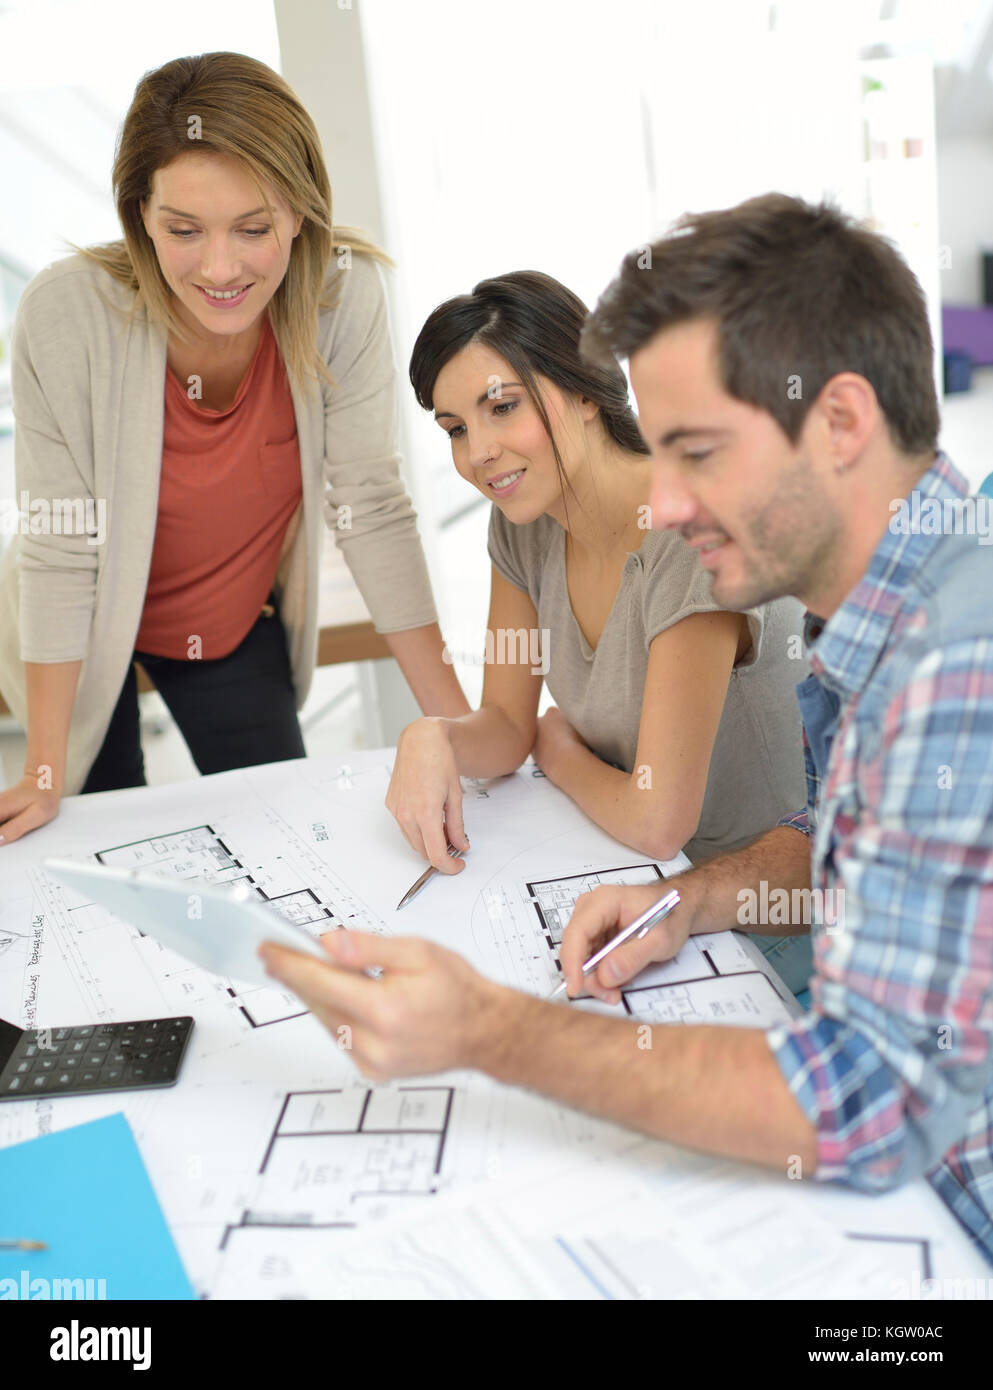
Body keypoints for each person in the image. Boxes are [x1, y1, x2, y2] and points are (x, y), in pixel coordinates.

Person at [259, 194, 993, 1263]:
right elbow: (841, 832)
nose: (671, 498)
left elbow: (864, 1106)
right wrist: (689, 898)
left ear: (840, 422)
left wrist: (489, 1030)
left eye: (699, 451)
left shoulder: (952, 665)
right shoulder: (898, 593)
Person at [0, 52, 467, 844]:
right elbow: (58, 544)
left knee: (279, 835)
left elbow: (370, 505)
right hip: (78, 630)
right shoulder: (67, 313)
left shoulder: (343, 298)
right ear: (139, 215)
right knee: (96, 838)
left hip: (226, 620)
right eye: (184, 230)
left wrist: (459, 727)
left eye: (253, 229)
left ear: (300, 211)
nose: (220, 270)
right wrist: (45, 771)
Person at [385, 271, 810, 984]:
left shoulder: (689, 530)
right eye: (454, 428)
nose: (478, 452)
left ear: (582, 389)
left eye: (501, 408)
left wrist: (557, 750)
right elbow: (504, 726)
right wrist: (434, 735)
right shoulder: (524, 525)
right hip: (645, 890)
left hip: (755, 918)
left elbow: (654, 819)